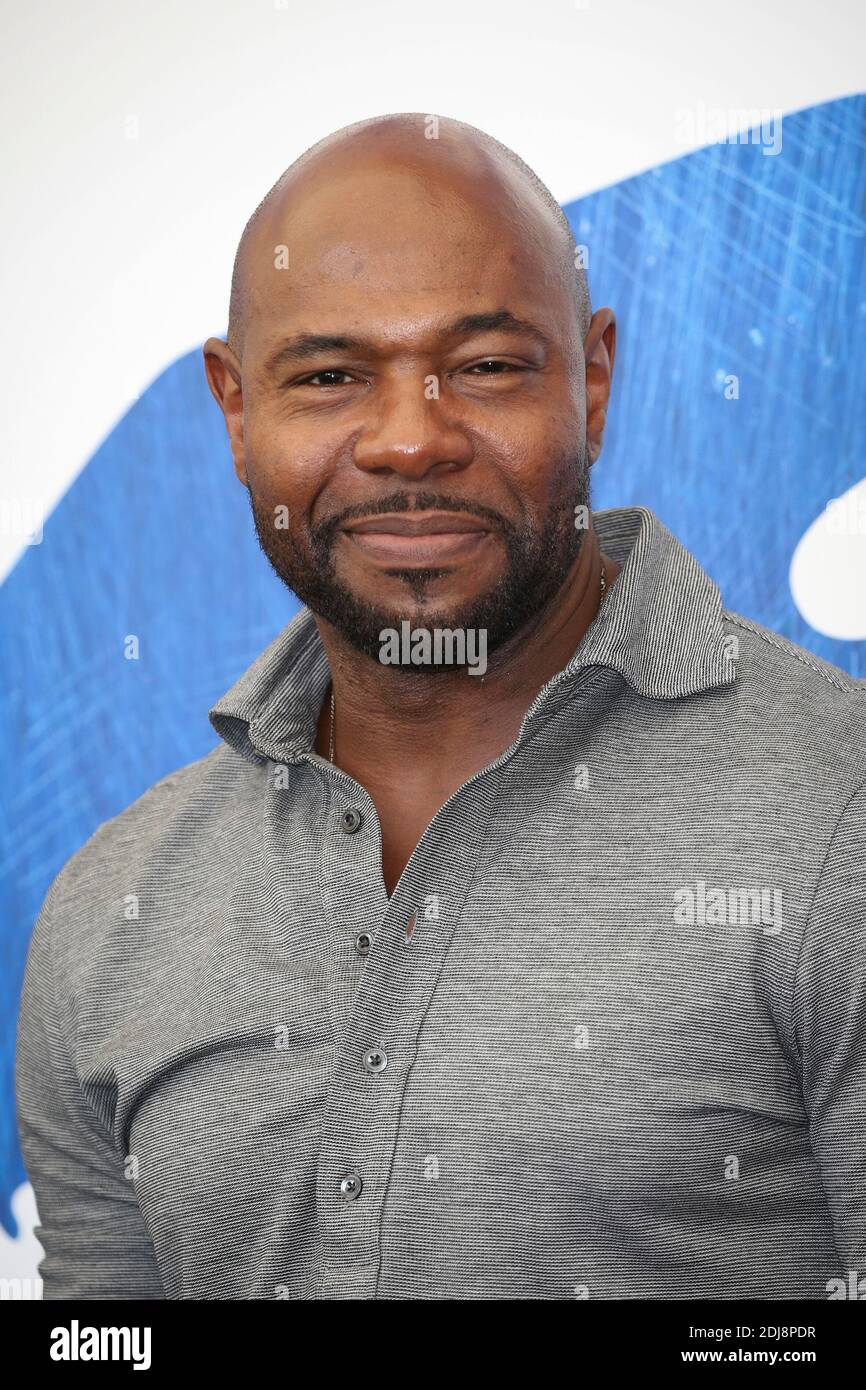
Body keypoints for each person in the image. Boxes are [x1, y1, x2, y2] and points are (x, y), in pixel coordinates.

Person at [17, 113, 866, 1300]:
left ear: (593, 382)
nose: (410, 442)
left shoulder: (837, 811)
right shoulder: (111, 908)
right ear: (235, 410)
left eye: (485, 368)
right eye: (329, 377)